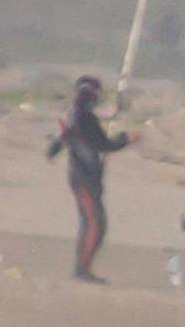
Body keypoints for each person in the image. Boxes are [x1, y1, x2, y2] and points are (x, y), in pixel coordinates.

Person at [46, 76, 130, 283]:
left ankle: (83, 268)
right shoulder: (81, 116)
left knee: (95, 224)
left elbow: (67, 139)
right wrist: (126, 139)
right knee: (94, 223)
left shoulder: (81, 115)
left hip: (88, 176)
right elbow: (101, 143)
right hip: (83, 177)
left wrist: (54, 149)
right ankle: (82, 270)